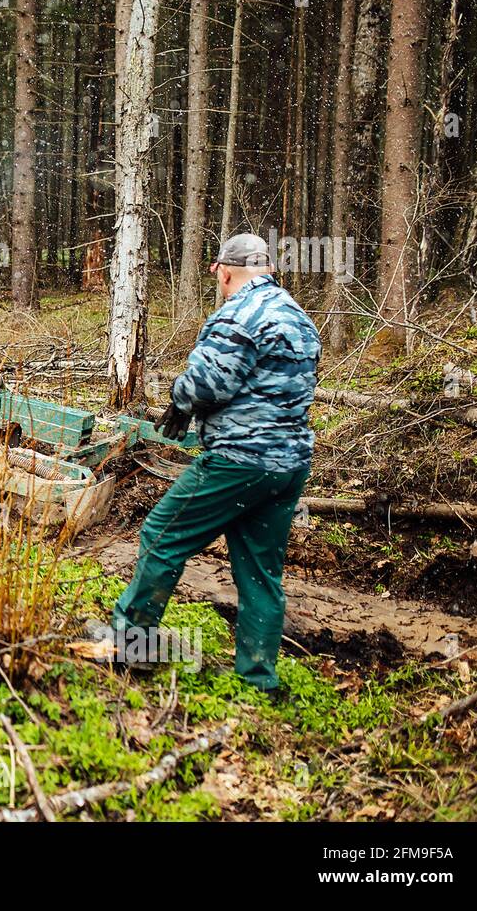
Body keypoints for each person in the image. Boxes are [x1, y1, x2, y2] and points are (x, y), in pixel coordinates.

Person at [108, 232, 321, 691]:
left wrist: (180, 401)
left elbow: (208, 384)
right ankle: (258, 677)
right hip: (289, 466)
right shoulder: (299, 318)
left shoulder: (238, 314)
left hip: (239, 461)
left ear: (225, 271)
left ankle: (130, 646)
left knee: (163, 533)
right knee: (261, 571)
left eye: (219, 276)